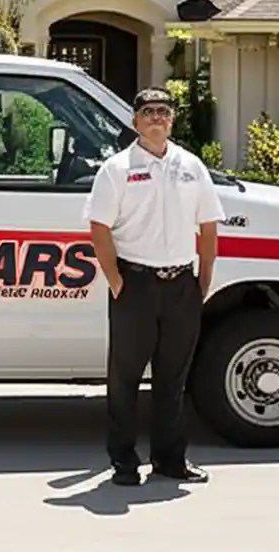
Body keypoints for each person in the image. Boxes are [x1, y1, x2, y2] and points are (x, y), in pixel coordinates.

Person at [82, 86, 225, 487]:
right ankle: (124, 464)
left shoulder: (191, 166)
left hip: (182, 285)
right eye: (148, 111)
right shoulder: (117, 169)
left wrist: (203, 281)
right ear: (134, 120)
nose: (156, 118)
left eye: (164, 111)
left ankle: (170, 461)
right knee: (124, 380)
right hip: (136, 285)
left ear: (172, 119)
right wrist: (116, 282)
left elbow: (209, 225)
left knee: (172, 380)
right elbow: (99, 228)